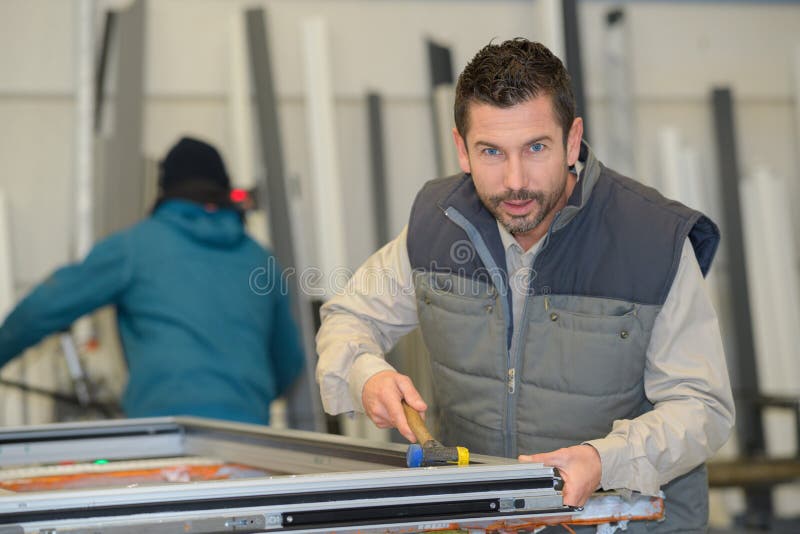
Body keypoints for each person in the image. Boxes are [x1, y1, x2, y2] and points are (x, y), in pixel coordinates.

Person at [316, 39, 734, 532]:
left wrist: (604, 460)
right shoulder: (436, 224)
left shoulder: (653, 239)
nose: (515, 181)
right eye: (491, 151)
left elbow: (700, 406)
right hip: (480, 521)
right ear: (461, 148)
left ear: (572, 140)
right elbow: (349, 317)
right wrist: (367, 374)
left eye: (536, 148)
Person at [0, 136, 305, 425]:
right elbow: (289, 360)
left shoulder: (135, 247)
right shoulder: (260, 259)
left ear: (165, 190)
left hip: (164, 437)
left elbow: (44, 307)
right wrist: (239, 401)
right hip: (251, 437)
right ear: (223, 189)